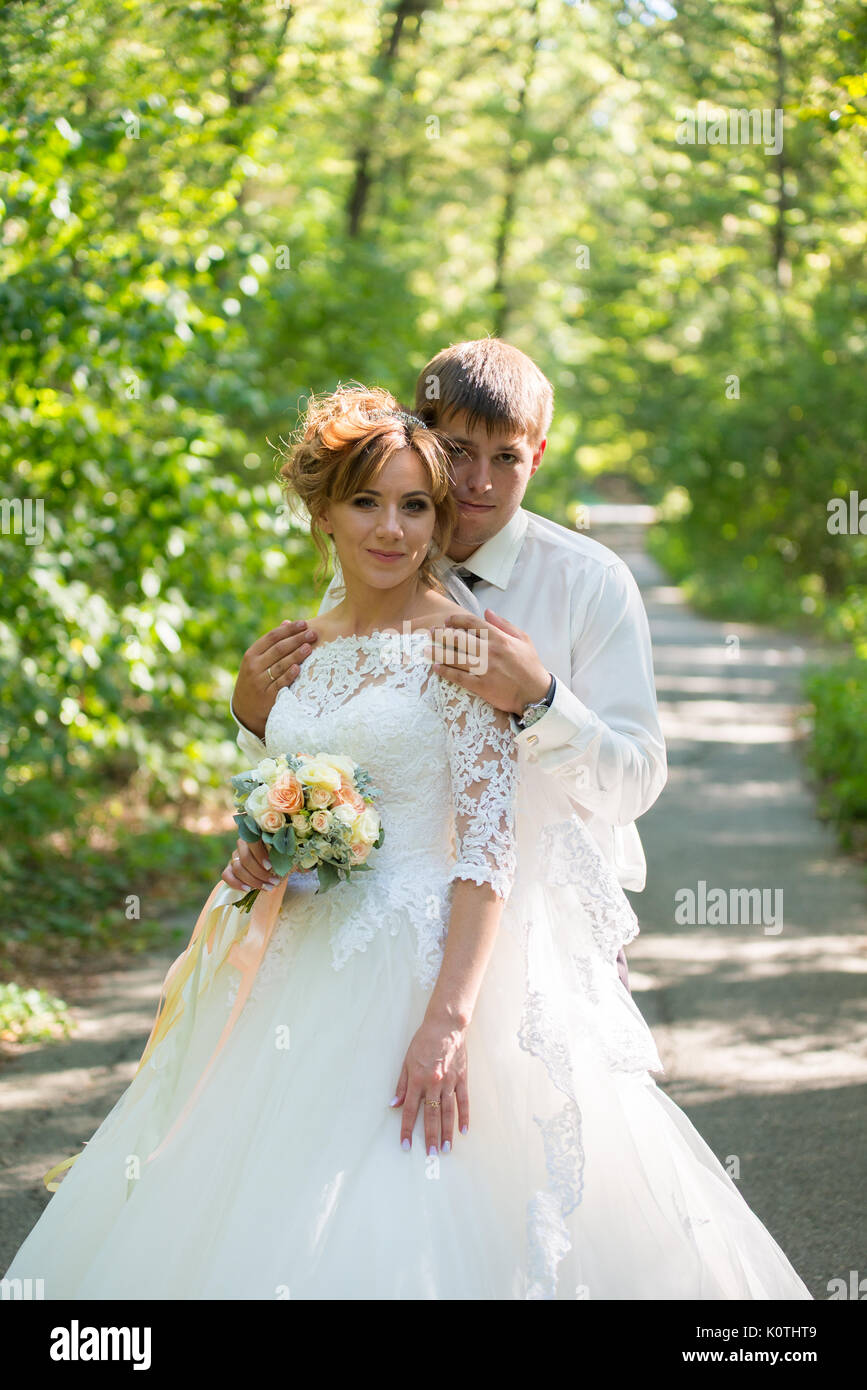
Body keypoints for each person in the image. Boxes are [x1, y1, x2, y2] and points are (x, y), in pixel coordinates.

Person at [4, 384, 811, 1299]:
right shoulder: (306, 636)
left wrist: (446, 1022)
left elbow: (486, 849)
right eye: (367, 502)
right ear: (324, 510)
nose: (393, 528)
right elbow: (303, 774)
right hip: (302, 950)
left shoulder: (471, 641)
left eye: (414, 507)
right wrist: (262, 840)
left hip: (438, 958)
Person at [227, 340, 667, 994]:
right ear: (425, 440)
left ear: (537, 456)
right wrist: (253, 720)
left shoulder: (591, 583)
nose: (478, 483)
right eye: (459, 452)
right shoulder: (371, 560)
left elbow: (634, 786)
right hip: (382, 940)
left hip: (551, 940)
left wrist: (538, 699)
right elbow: (346, 739)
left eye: (507, 458)